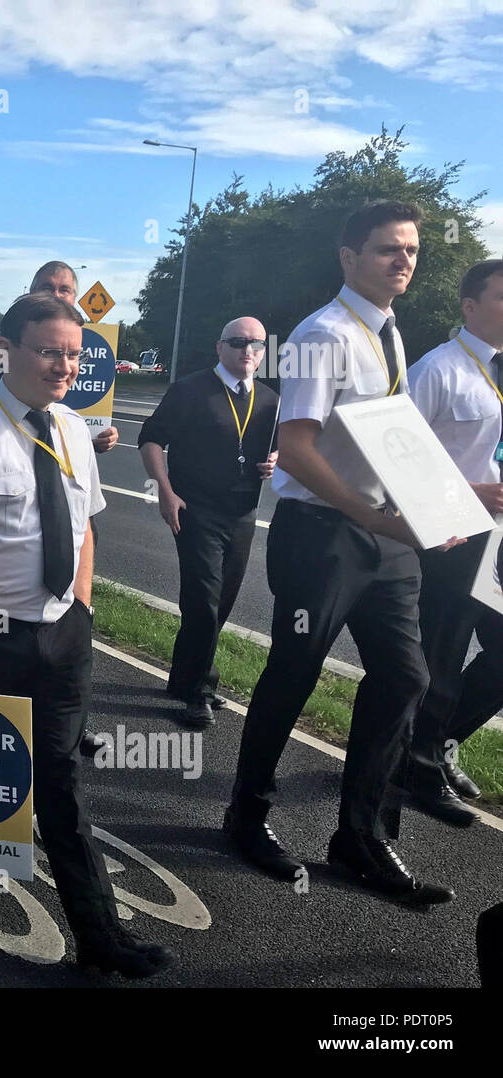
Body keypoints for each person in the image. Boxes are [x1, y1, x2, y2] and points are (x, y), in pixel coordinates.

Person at [0, 292, 174, 977]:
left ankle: (99, 939)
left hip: (63, 636)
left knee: (60, 783)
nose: (65, 365)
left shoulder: (72, 430)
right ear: (10, 351)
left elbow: (85, 525)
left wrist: (82, 608)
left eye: (74, 354)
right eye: (50, 351)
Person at [224, 201, 455, 906]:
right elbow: (295, 448)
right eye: (388, 249)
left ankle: (359, 835)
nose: (404, 261)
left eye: (411, 250)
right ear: (349, 258)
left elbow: (391, 433)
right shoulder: (323, 334)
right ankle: (247, 816)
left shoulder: (390, 333)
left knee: (406, 678)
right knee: (292, 674)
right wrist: (376, 518)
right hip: (322, 535)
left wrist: (438, 500)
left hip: (381, 537)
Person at [138, 317, 279, 727]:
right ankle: (199, 692)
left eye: (255, 343)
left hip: (242, 513)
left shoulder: (270, 400)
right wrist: (165, 490)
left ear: (264, 352)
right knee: (203, 600)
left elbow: (284, 447)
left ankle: (184, 679)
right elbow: (151, 439)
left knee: (221, 604)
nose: (246, 350)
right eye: (237, 342)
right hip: (194, 509)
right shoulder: (190, 390)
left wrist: (276, 461)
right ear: (220, 347)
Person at [404, 259, 503, 826]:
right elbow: (400, 464)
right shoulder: (437, 371)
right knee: (440, 655)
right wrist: (474, 491)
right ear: (469, 307)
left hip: (493, 536)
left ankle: (440, 742)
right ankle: (416, 768)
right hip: (447, 532)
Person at [0, 260, 119, 453]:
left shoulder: (94, 349)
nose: (55, 295)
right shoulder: (5, 347)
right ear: (32, 292)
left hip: (66, 454)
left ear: (75, 298)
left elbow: (87, 418)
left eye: (64, 290)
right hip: (4, 449)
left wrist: (100, 435)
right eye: (47, 287)